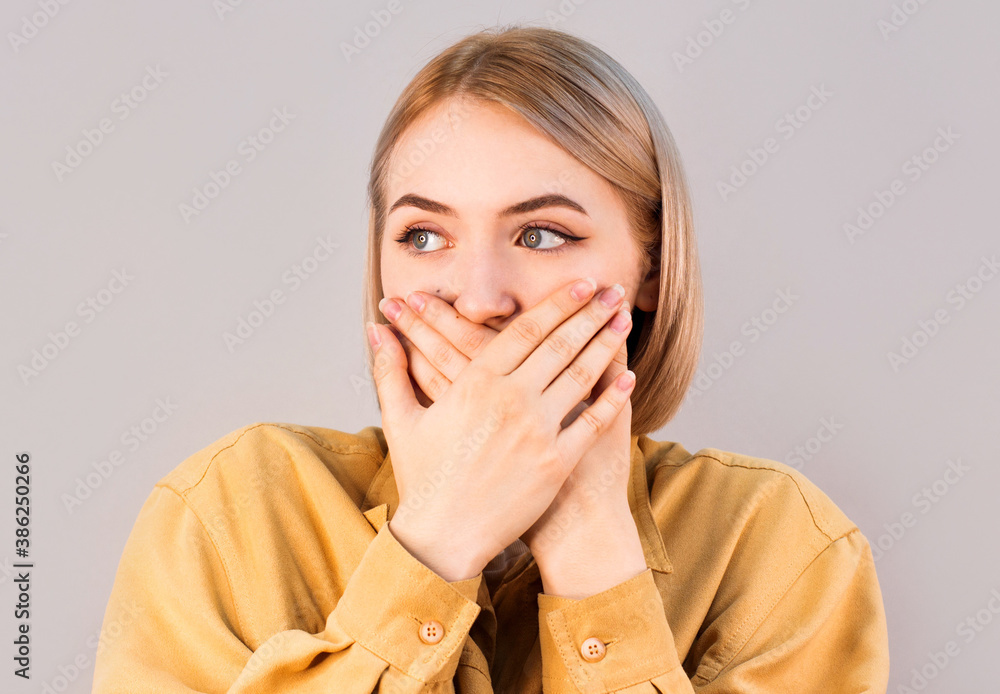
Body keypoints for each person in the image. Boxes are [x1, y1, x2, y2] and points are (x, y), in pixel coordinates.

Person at [92, 24, 890, 693]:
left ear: (649, 266)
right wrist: (439, 538)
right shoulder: (228, 512)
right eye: (423, 236)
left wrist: (588, 539)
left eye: (541, 234)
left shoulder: (785, 549)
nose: (478, 298)